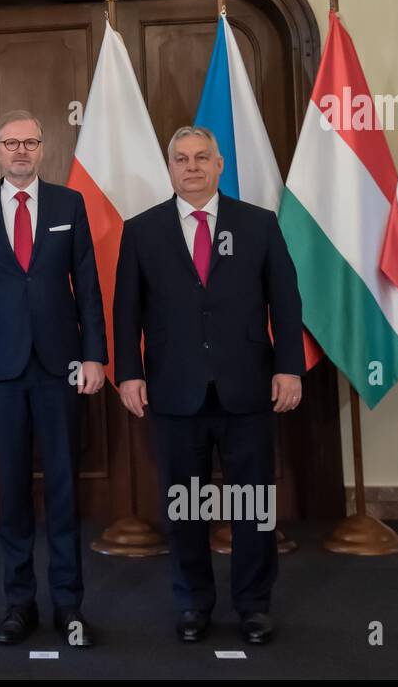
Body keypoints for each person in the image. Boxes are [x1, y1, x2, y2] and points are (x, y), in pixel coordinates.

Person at [113, 125, 303, 646]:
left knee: (252, 506)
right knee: (185, 506)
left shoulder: (258, 224)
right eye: (181, 158)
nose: (192, 166)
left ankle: (253, 607)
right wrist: (128, 372)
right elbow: (125, 312)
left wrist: (289, 367)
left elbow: (285, 302)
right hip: (174, 391)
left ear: (220, 165)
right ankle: (193, 604)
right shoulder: (142, 230)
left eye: (202, 158)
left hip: (248, 390)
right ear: (169, 168)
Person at [0, 110, 106, 647]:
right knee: (13, 489)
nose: (21, 151)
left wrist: (94, 357)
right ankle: (19, 604)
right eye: (11, 143)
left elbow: (86, 285)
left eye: (31, 142)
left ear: (43, 149)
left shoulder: (69, 204)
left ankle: (69, 606)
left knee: (63, 488)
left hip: (62, 368)